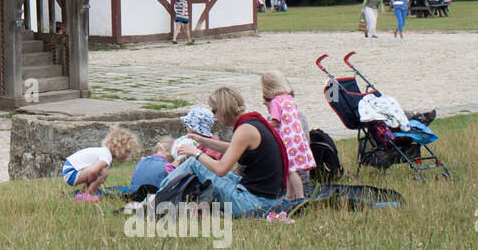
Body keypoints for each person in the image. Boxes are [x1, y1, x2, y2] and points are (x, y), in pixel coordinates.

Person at [161, 86, 286, 217]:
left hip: (254, 203)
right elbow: (234, 148)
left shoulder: (245, 130)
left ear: (224, 109)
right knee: (202, 166)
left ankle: (156, 197)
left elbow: (221, 170)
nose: (214, 116)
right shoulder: (253, 123)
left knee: (194, 163)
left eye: (214, 111)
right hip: (272, 199)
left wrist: (195, 152)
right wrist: (204, 141)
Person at [260, 71, 316, 199]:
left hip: (287, 141)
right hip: (298, 139)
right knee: (291, 170)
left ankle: (300, 197)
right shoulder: (290, 99)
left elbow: (275, 121)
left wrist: (262, 124)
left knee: (291, 170)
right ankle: (289, 196)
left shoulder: (275, 102)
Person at [62, 127, 139, 198]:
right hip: (72, 172)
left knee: (99, 173)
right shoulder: (106, 156)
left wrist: (91, 183)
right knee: (104, 172)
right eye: (126, 151)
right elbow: (93, 171)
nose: (127, 155)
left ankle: (82, 195)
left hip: (69, 169)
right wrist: (93, 182)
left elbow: (92, 172)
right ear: (116, 146)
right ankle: (87, 196)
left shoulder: (103, 152)